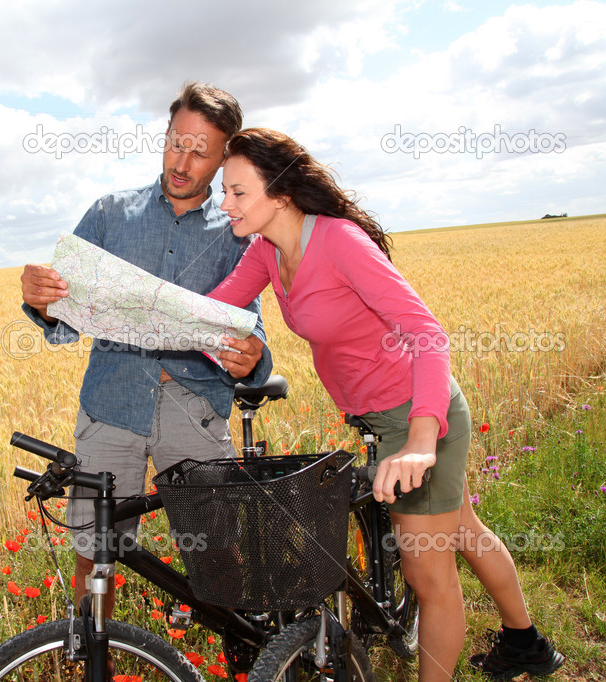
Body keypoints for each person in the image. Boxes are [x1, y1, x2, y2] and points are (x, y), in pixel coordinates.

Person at [207, 128, 564, 681]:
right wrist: (104, 301)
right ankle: (526, 643)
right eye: (223, 192)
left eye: (237, 192)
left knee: (430, 579)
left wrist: (421, 442)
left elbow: (427, 333)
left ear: (279, 193)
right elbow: (211, 308)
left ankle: (517, 646)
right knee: (464, 528)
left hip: (417, 417)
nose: (224, 204)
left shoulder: (341, 242)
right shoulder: (268, 252)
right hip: (379, 417)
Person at [20, 83, 273, 617]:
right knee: (96, 552)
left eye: (201, 152)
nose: (182, 162)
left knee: (216, 548)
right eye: (175, 142)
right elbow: (62, 321)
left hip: (197, 413)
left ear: (225, 157)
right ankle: (96, 659)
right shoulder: (110, 214)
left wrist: (253, 357)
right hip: (111, 408)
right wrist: (43, 303)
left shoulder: (238, 231)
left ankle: (240, 654)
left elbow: (252, 333)